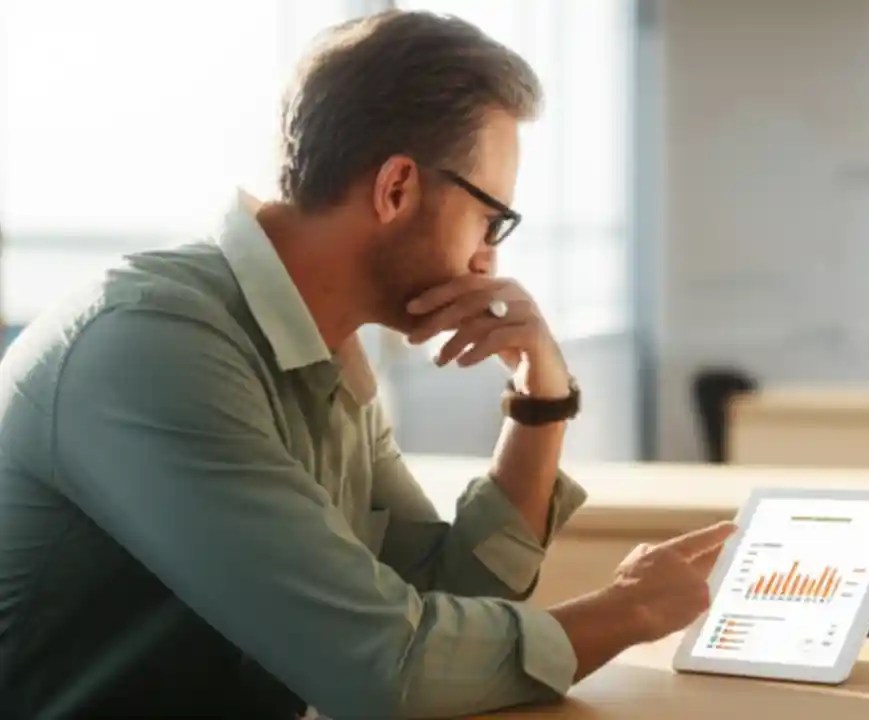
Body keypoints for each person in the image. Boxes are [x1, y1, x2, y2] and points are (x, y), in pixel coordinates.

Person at [0, 10, 734, 719]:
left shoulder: (322, 348)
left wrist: (540, 397)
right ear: (396, 189)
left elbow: (450, 594)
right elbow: (385, 668)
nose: (490, 261)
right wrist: (627, 611)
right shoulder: (156, 347)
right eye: (491, 220)